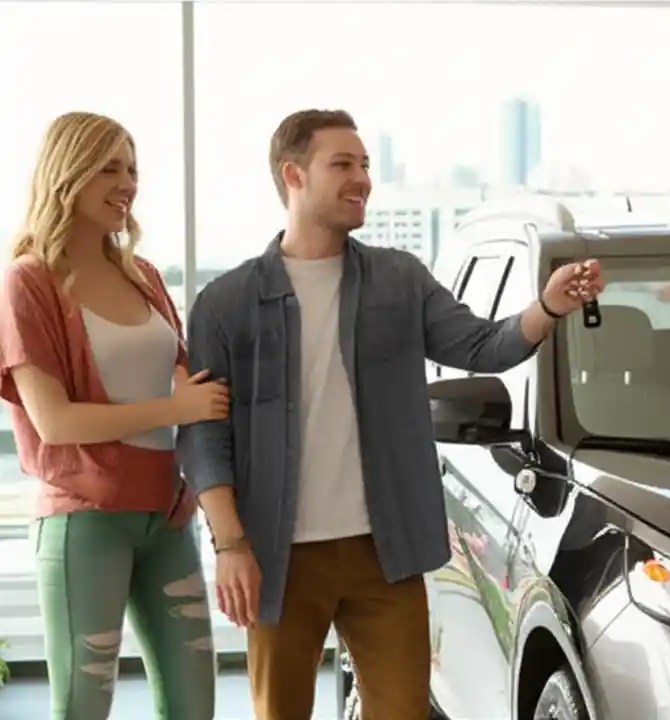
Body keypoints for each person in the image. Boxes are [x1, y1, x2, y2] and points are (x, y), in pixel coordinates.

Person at [177, 108, 604, 719]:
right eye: (343, 164)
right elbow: (203, 434)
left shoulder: (399, 280)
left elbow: (482, 346)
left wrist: (547, 305)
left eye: (366, 164)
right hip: (279, 555)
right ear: (293, 174)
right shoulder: (227, 303)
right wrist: (230, 545)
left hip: (387, 551)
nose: (363, 179)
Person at [0, 111, 227, 719]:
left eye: (131, 168)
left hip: (168, 519)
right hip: (86, 526)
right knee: (82, 708)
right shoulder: (30, 282)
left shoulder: (145, 276)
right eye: (109, 167)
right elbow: (56, 423)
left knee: (194, 705)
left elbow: (188, 380)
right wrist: (175, 408)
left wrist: (197, 470)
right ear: (66, 173)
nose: (127, 182)